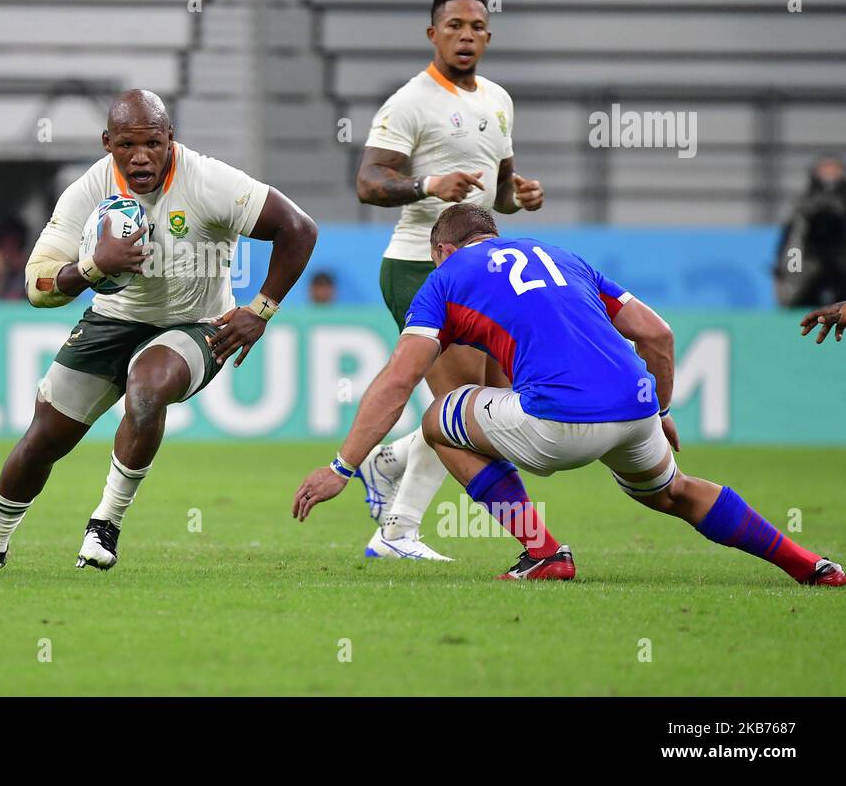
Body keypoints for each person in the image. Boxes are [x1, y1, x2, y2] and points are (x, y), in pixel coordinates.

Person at [293, 204, 844, 587]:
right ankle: (811, 566)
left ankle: (542, 551)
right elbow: (657, 335)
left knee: (440, 416)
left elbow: (397, 380)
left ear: (440, 250)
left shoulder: (445, 277)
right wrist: (663, 409)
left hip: (557, 421)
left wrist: (342, 467)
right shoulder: (565, 257)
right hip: (634, 405)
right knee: (672, 491)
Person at [0, 89, 317, 572]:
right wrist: (94, 267)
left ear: (170, 140)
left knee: (147, 387)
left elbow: (299, 228)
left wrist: (261, 309)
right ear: (107, 143)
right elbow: (38, 286)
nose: (140, 157)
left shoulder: (208, 180)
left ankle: (105, 524)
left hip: (196, 322)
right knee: (45, 437)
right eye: (126, 145)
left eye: (152, 144)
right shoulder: (88, 190)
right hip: (113, 317)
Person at [348, 0, 545, 562]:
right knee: (463, 404)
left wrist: (520, 197)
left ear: (488, 35)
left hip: (481, 270)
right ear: (433, 34)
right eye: (454, 26)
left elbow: (500, 193)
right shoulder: (410, 101)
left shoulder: (498, 100)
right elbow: (368, 182)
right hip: (420, 266)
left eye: (476, 27)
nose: (466, 35)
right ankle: (397, 531)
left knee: (493, 404)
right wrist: (426, 184)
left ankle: (392, 460)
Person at [775, 156, 846, 307]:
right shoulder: (802, 206)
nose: (830, 176)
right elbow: (792, 244)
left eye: (834, 171)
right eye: (825, 171)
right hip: (809, 262)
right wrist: (791, 274)